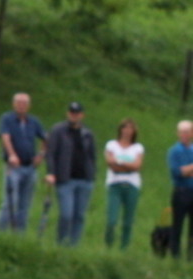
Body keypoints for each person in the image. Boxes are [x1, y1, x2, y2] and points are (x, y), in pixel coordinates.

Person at [43, 102, 97, 246]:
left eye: (77, 113)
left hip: (85, 179)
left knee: (79, 215)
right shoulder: (58, 130)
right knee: (66, 214)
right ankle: (61, 242)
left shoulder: (87, 133)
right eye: (72, 112)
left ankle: (73, 246)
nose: (74, 115)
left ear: (82, 115)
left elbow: (92, 155)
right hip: (65, 179)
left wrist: (92, 174)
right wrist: (51, 172)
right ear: (68, 114)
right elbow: (51, 153)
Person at [0, 93, 47, 233]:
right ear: (14, 104)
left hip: (30, 167)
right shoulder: (7, 119)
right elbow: (5, 137)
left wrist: (41, 155)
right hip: (14, 167)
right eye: (19, 102)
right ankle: (0, 232)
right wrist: (12, 155)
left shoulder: (34, 122)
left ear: (29, 106)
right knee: (10, 202)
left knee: (25, 205)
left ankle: (19, 236)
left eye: (24, 103)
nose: (21, 105)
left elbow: (45, 138)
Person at [101, 119, 144, 250]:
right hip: (115, 183)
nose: (127, 131)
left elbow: (137, 166)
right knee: (111, 220)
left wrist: (119, 161)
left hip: (132, 185)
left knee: (128, 220)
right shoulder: (112, 145)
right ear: (120, 130)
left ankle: (123, 248)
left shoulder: (138, 148)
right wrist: (126, 165)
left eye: (130, 128)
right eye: (125, 128)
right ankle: (108, 245)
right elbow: (110, 163)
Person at [165, 122, 193, 257]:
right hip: (181, 191)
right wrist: (188, 170)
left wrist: (187, 169)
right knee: (178, 225)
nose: (185, 135)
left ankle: (190, 256)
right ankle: (175, 255)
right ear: (178, 133)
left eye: (187, 132)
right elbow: (177, 172)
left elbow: (185, 170)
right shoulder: (174, 151)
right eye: (182, 132)